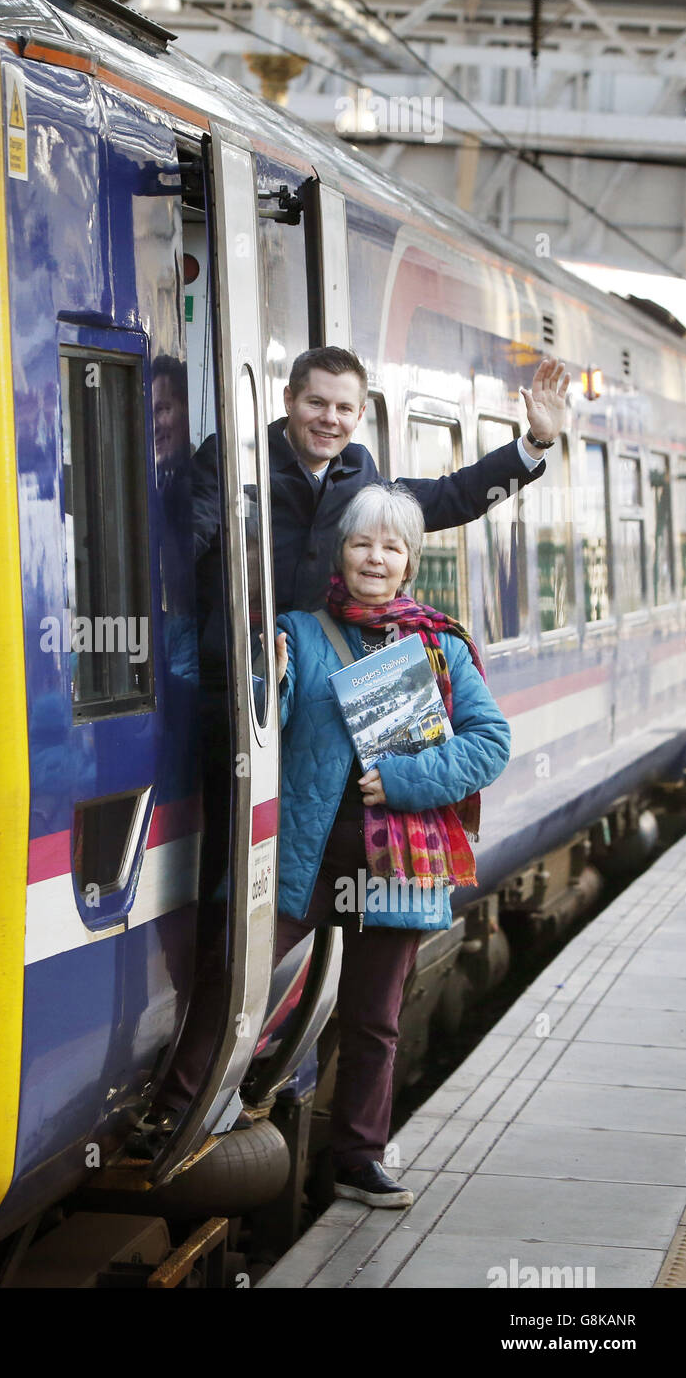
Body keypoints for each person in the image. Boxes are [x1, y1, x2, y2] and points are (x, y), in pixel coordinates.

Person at [192, 345, 567, 908]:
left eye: (344, 408)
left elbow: (451, 497)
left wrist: (532, 445)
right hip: (241, 693)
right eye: (316, 402)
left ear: (360, 413)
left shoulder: (359, 473)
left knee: (326, 846)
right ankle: (227, 980)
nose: (329, 418)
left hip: (326, 696)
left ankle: (345, 954)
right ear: (288, 399)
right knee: (234, 870)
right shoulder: (235, 458)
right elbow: (183, 543)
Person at [269, 482, 509, 1205]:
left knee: (374, 1019)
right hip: (306, 850)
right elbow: (265, 725)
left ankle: (357, 1160)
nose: (375, 557)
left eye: (391, 546)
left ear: (409, 562)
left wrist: (402, 778)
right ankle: (191, 1111)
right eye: (362, 542)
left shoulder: (438, 644)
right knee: (234, 978)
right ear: (340, 553)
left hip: (396, 852)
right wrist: (269, 680)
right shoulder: (299, 631)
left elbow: (489, 744)